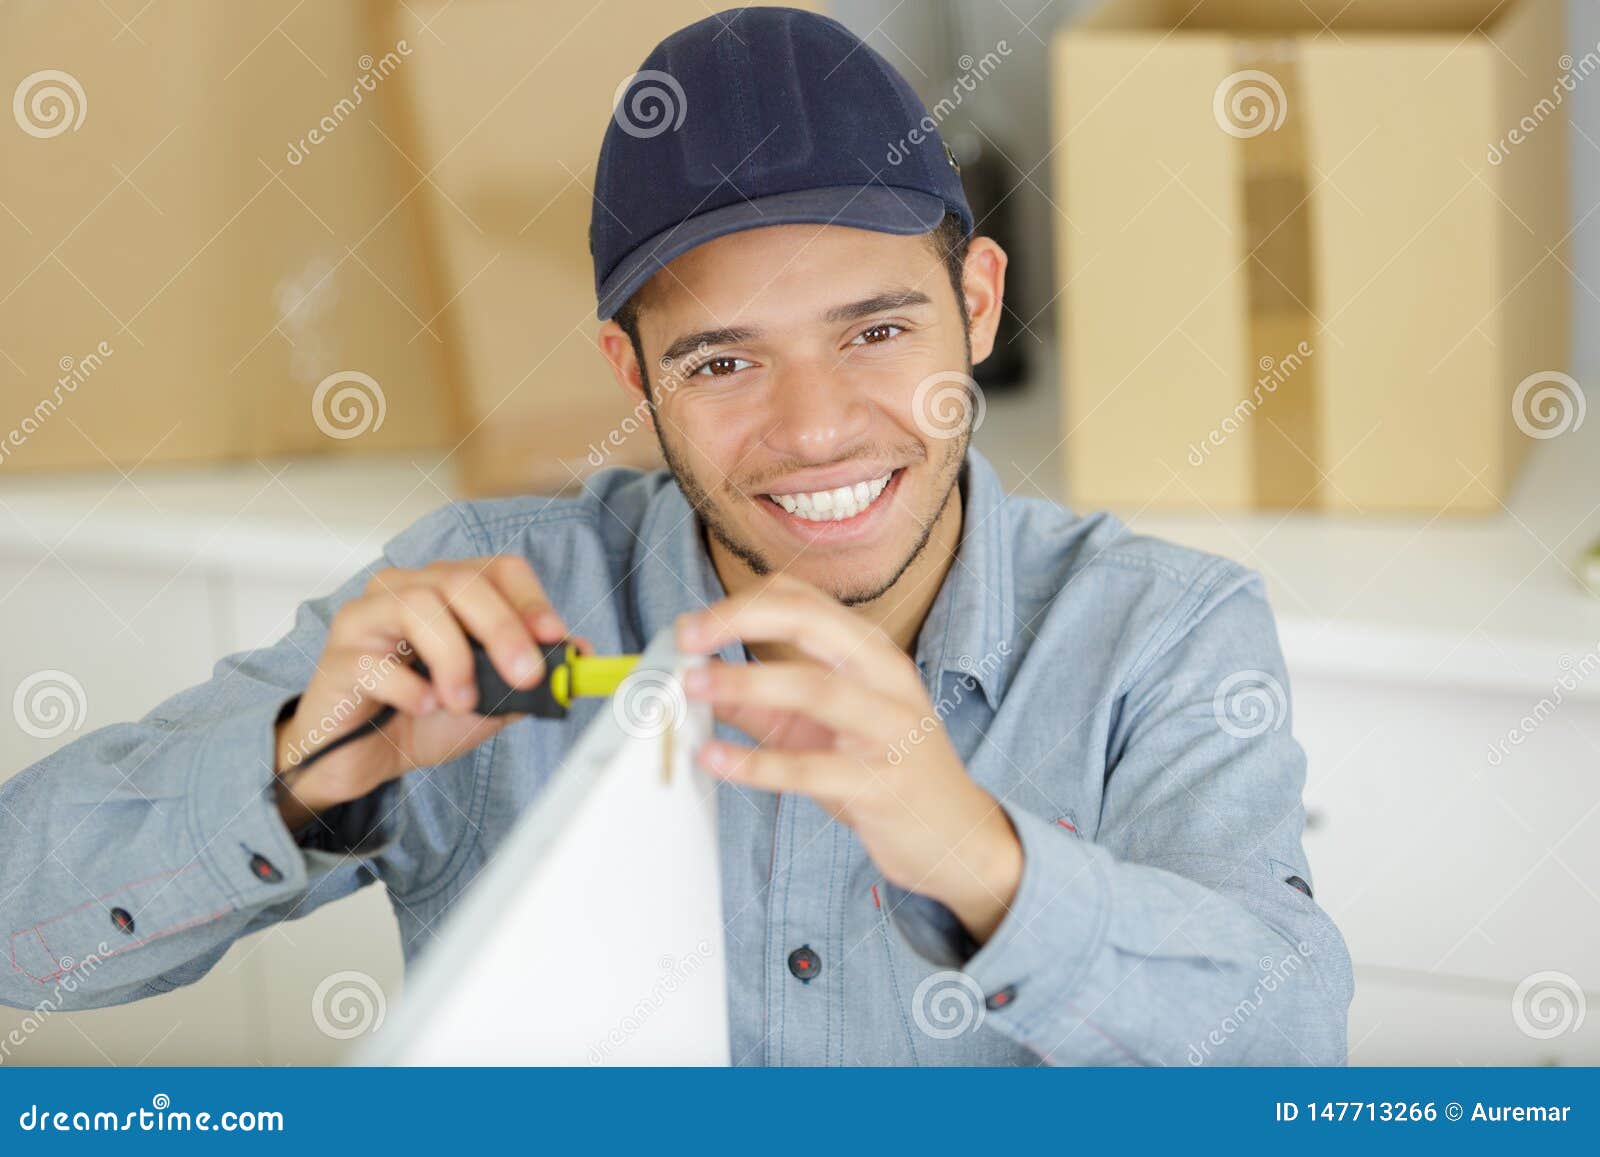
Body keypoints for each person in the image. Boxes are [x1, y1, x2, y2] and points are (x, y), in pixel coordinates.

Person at [0, 6, 1351, 1065]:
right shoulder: (488, 600)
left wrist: (977, 857)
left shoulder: (1159, 632)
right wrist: (300, 778)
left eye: (876, 330)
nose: (815, 428)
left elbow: (1294, 1054)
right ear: (629, 373)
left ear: (979, 305)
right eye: (721, 363)